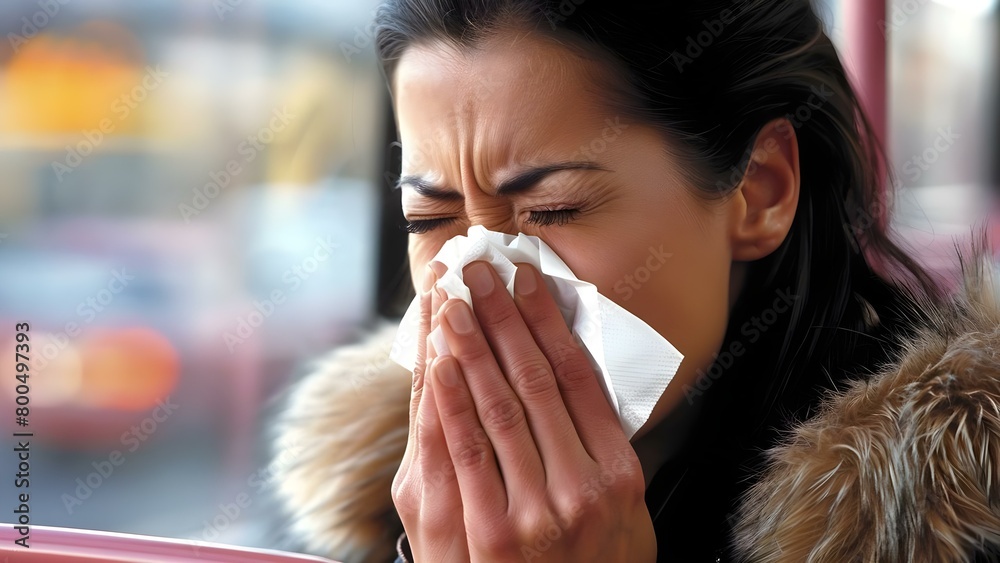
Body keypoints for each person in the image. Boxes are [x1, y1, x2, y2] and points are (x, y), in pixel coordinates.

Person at [273, 1, 1000, 561]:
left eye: (553, 209)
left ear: (761, 190)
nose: (476, 280)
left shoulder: (960, 520)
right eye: (428, 215)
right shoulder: (387, 505)